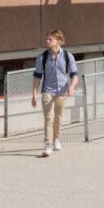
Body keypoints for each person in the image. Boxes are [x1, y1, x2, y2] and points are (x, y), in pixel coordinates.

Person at [30, 29, 80, 157]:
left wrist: (72, 87)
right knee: (48, 118)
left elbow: (75, 74)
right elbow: (37, 76)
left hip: (62, 91)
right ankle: (48, 145)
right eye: (47, 39)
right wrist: (34, 94)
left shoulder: (68, 56)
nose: (47, 41)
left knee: (58, 117)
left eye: (50, 39)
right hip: (48, 91)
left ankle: (56, 139)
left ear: (58, 40)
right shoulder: (42, 57)